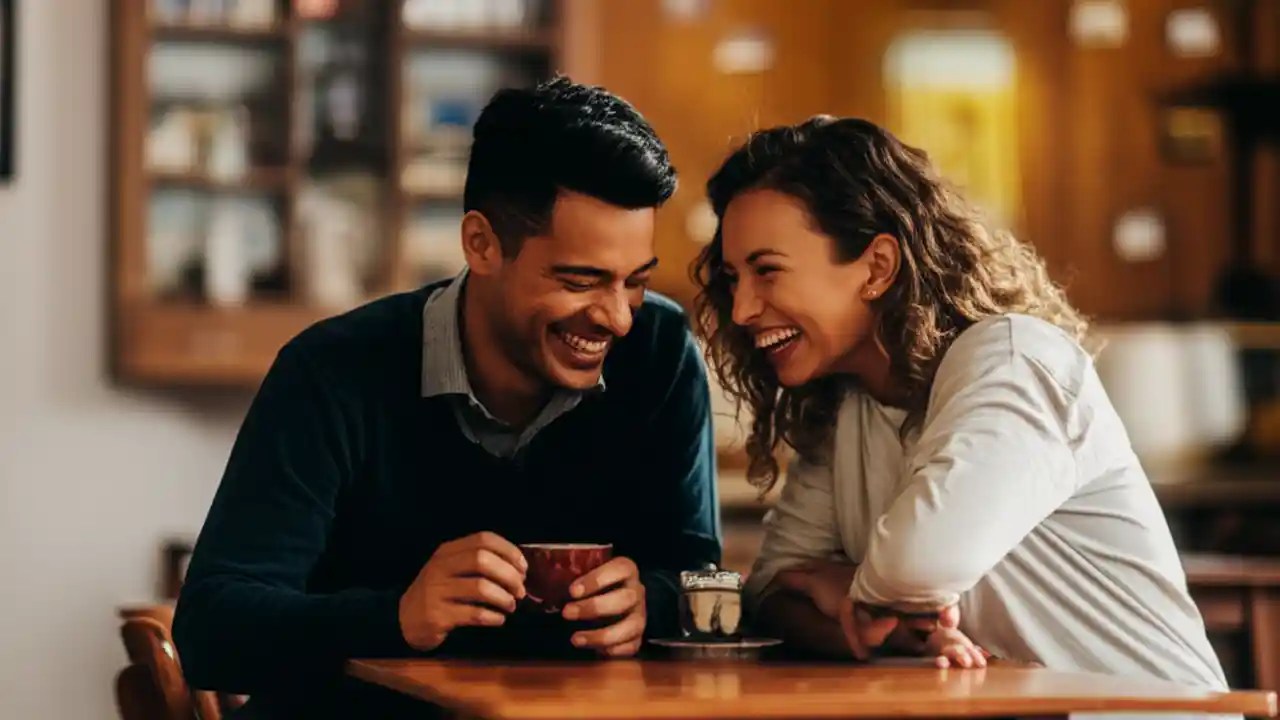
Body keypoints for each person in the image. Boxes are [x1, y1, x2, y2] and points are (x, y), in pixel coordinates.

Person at [175, 77, 721, 718]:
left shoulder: (658, 356)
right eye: (581, 280)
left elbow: (702, 583)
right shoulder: (334, 371)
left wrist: (650, 602)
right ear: (481, 244)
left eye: (634, 281)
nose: (618, 318)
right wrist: (398, 616)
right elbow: (212, 629)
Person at [691, 115, 1227, 688]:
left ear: (877, 268)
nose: (743, 308)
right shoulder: (846, 405)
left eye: (767, 271)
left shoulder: (1014, 359)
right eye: (732, 278)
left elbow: (918, 566)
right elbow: (773, 589)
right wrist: (874, 626)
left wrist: (842, 587)